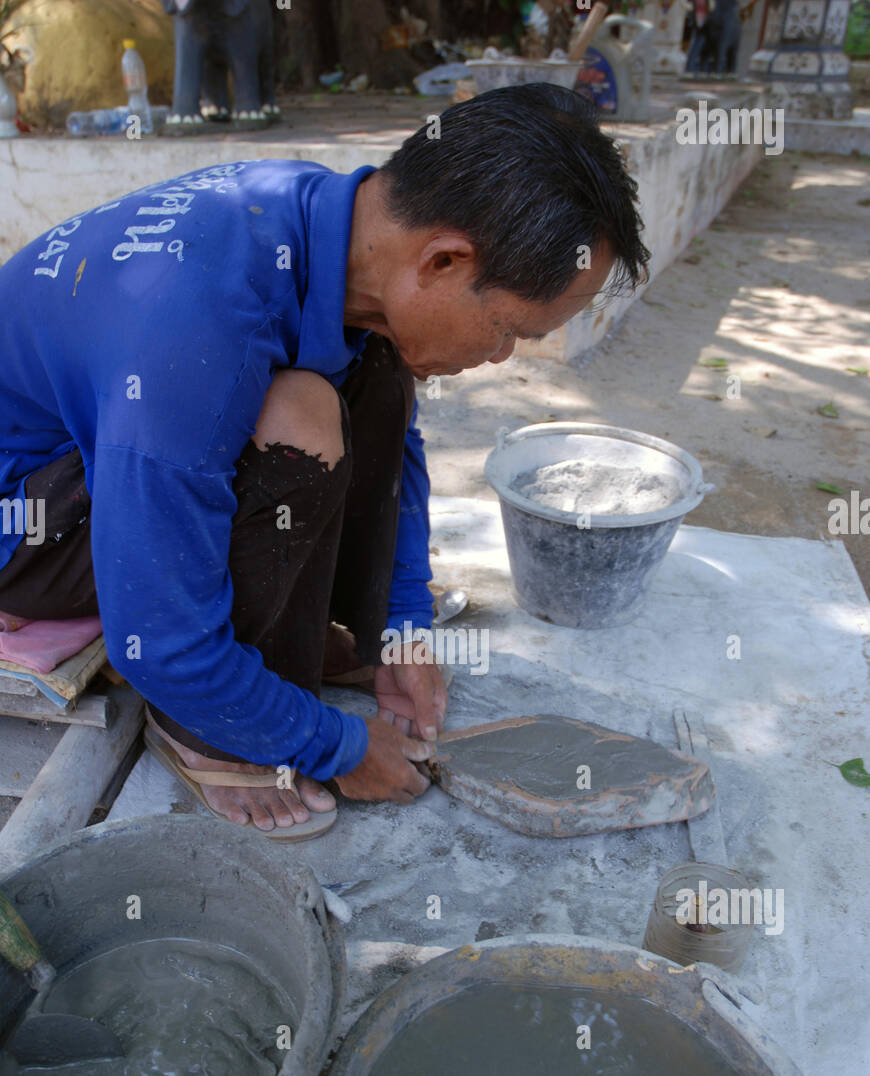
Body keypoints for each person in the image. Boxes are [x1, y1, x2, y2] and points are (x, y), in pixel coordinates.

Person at [0, 83, 649, 840]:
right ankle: (201, 729)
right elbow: (158, 639)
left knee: (378, 365)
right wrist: (329, 745)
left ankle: (300, 655)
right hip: (24, 521)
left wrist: (399, 626)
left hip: (108, 449)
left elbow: (393, 439)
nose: (499, 357)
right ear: (443, 259)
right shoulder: (193, 332)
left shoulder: (331, 223)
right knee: (298, 413)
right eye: (506, 330)